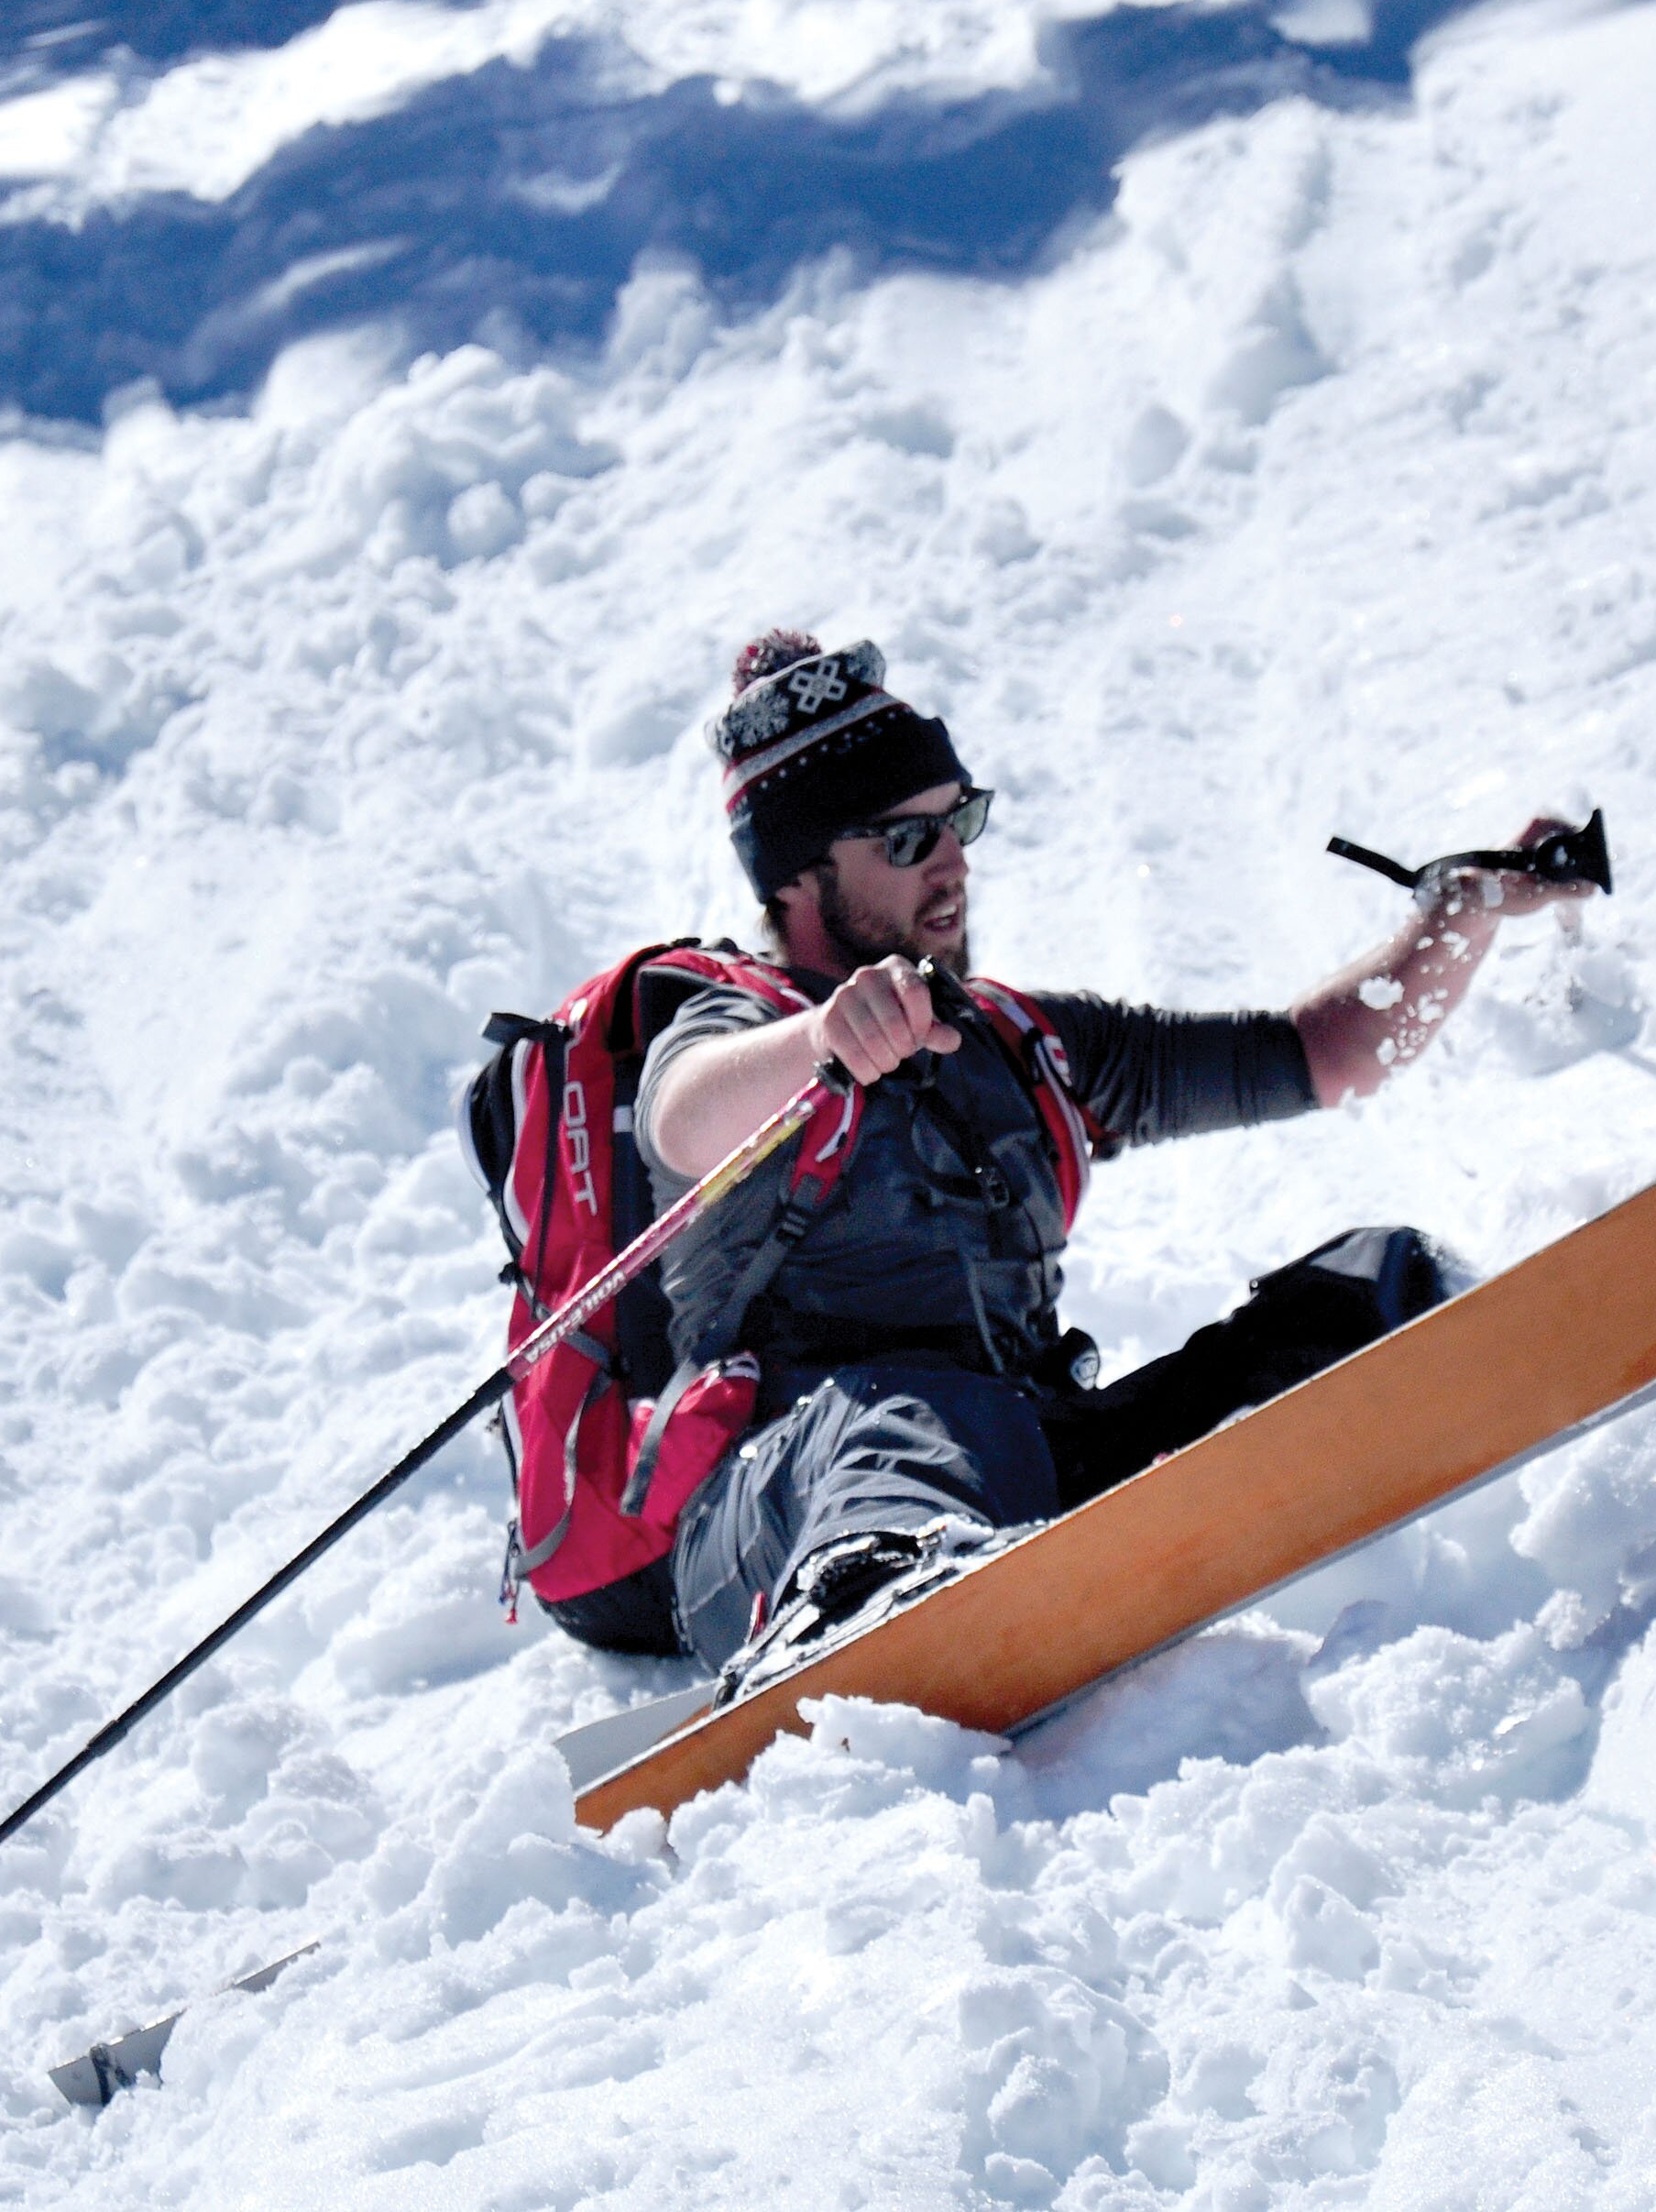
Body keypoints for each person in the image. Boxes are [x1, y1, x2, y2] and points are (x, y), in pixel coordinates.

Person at [638, 632, 1589, 1687]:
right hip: (771, 1518)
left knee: (1369, 1279)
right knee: (911, 1415)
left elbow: (1322, 1056)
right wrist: (819, 1040)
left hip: (1009, 1470)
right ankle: (865, 1609)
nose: (952, 858)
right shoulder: (737, 1026)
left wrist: (1463, 911)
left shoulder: (1021, 1041)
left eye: (958, 819)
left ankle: (1486, 1392)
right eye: (906, 841)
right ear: (802, 880)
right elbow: (683, 1118)